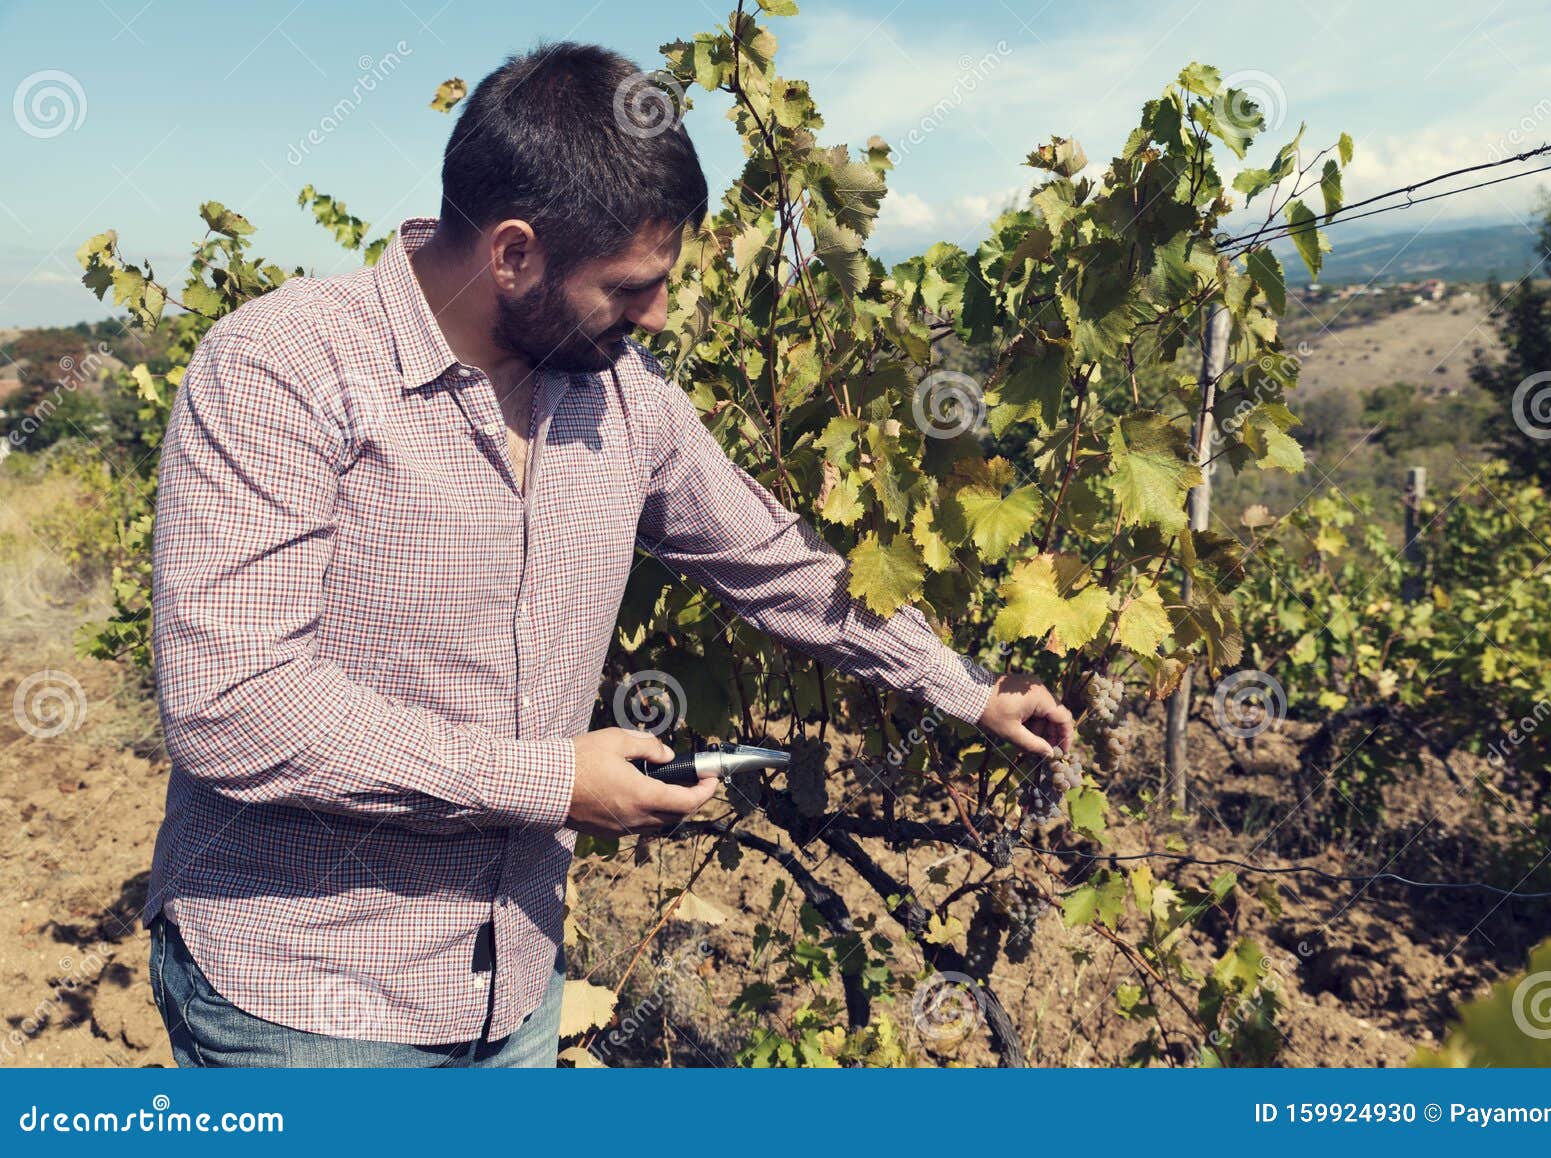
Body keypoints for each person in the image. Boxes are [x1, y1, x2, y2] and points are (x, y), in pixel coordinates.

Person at [144, 41, 1072, 1068]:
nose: (659, 316)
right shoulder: (280, 367)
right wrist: (548, 780)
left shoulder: (623, 397)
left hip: (515, 985)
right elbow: (233, 703)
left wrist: (965, 690)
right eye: (630, 287)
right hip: (304, 1002)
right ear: (513, 254)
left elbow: (777, 562)